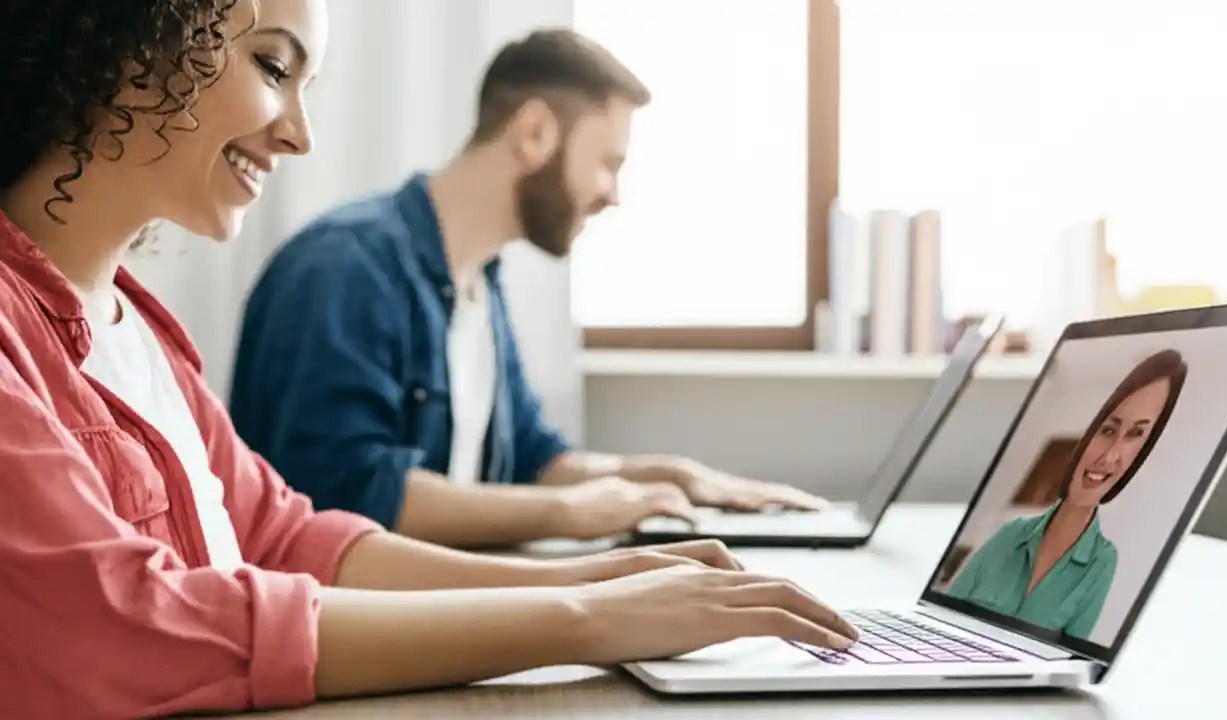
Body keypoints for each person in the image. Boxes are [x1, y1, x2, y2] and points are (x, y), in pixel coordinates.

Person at [0, 2, 858, 716]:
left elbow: (287, 535)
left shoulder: (142, 331)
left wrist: (609, 574)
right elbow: (116, 623)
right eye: (271, 65)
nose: (300, 135)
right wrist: (583, 610)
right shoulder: (340, 267)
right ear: (140, 39)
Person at [227, 28, 831, 548]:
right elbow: (348, 493)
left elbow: (533, 461)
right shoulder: (344, 268)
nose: (612, 195)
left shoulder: (478, 283)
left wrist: (667, 477)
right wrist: (572, 515)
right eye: (608, 163)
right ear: (536, 131)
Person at [946, 349, 1188, 639]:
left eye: (1136, 435)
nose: (1110, 457)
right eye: (1108, 430)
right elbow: (944, 614)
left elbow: (1069, 655)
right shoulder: (1010, 534)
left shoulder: (1102, 562)